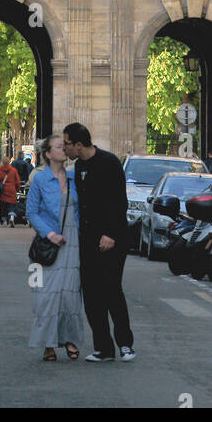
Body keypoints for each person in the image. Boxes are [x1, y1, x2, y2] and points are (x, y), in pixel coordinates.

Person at [62, 121, 134, 362]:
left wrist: (110, 234)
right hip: (88, 240)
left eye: (67, 144)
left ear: (79, 144)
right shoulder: (79, 166)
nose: (65, 149)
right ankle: (103, 347)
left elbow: (118, 202)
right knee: (91, 294)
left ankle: (125, 343)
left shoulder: (109, 162)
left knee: (112, 289)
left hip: (114, 238)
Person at [27, 133, 83, 362]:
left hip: (73, 242)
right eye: (59, 147)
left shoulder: (74, 177)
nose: (64, 149)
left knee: (70, 295)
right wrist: (49, 234)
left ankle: (70, 339)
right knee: (46, 296)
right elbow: (31, 212)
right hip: (48, 243)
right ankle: (48, 344)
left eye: (64, 146)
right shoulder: (39, 179)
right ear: (48, 153)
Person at [0, 156, 21, 225]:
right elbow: (18, 182)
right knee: (11, 205)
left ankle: (4, 219)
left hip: (2, 191)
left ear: (2, 162)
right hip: (12, 190)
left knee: (2, 206)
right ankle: (11, 217)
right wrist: (17, 189)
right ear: (9, 162)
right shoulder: (13, 170)